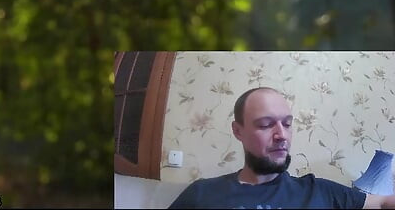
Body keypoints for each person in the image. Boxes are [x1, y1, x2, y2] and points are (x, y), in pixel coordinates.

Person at [169, 87, 395, 209]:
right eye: (266, 124)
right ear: (238, 131)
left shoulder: (321, 191)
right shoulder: (201, 194)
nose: (282, 135)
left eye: (287, 124)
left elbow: (383, 202)